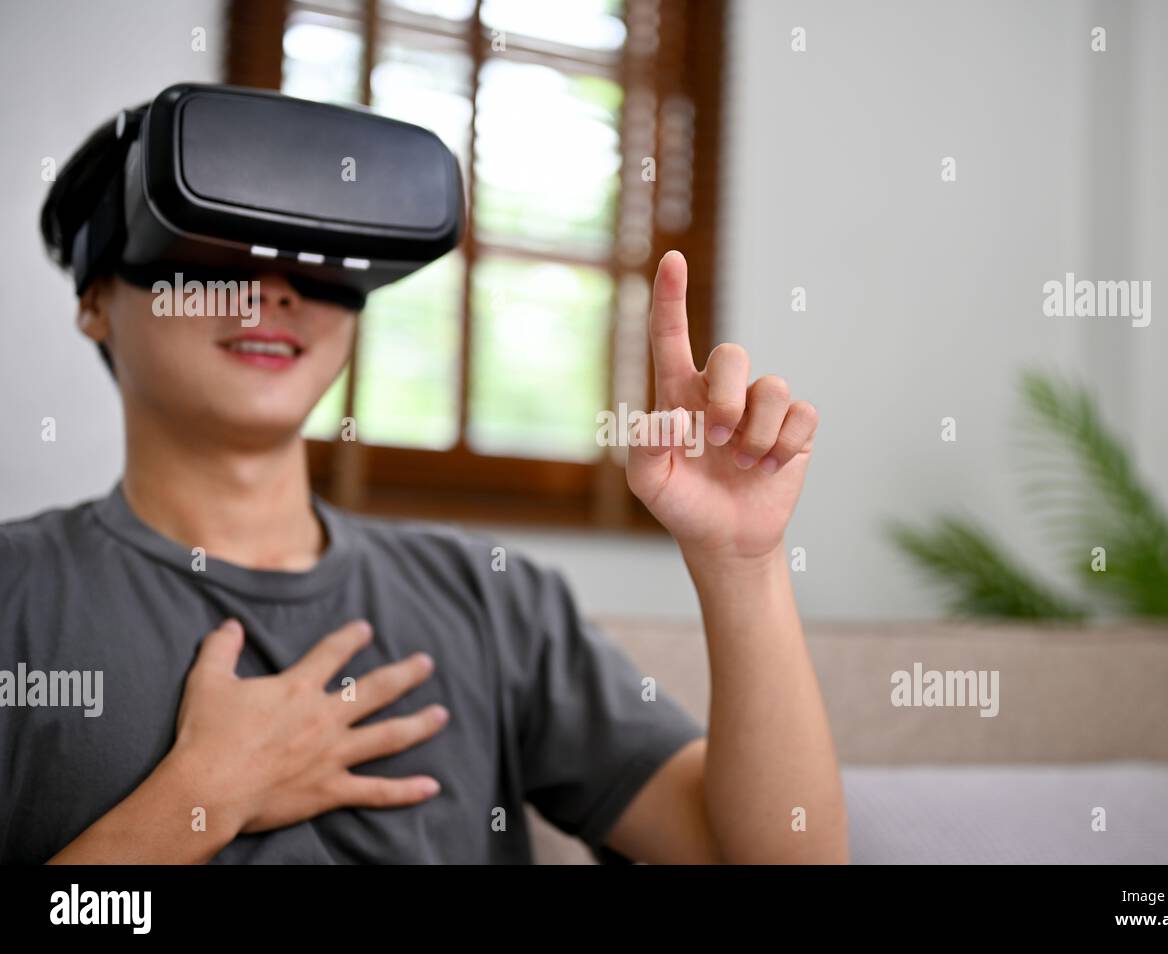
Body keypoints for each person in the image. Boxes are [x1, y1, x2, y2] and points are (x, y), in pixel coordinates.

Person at [0, 109, 847, 865]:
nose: (277, 288)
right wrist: (194, 805)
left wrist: (743, 564)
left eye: (320, 250)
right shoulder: (16, 598)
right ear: (96, 297)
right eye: (214, 243)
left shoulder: (492, 601)